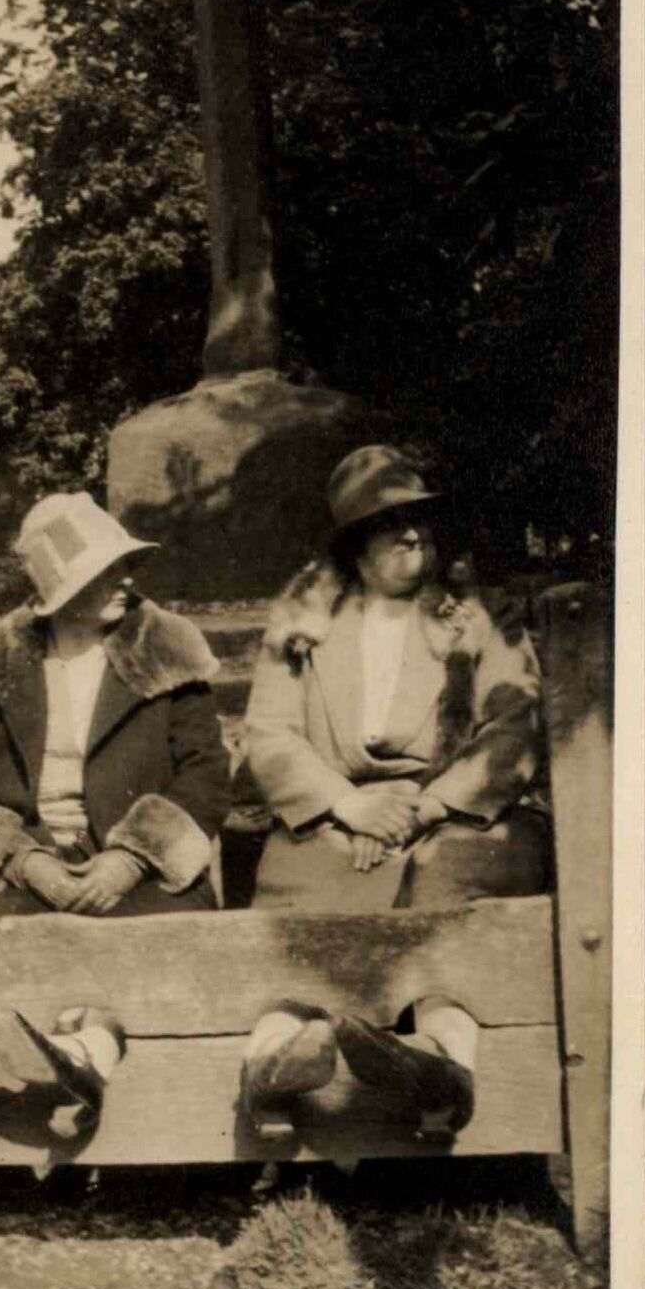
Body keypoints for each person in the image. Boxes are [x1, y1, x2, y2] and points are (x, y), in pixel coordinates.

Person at [238, 444, 550, 1136]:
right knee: (301, 894)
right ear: (354, 548)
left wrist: (430, 806)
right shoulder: (304, 632)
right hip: (339, 816)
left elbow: (513, 722)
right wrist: (347, 806)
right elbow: (270, 731)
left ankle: (440, 1065)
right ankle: (275, 1063)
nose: (413, 534)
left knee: (456, 893)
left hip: (456, 814)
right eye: (390, 524)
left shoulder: (476, 617)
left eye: (421, 521)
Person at [0, 491, 233, 1137]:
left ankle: (80, 1060)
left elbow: (207, 776)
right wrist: (26, 860)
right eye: (103, 572)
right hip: (31, 867)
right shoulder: (4, 665)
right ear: (58, 591)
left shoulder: (167, 652)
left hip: (142, 874)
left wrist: (130, 858)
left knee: (140, 953)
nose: (124, 581)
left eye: (124, 565)